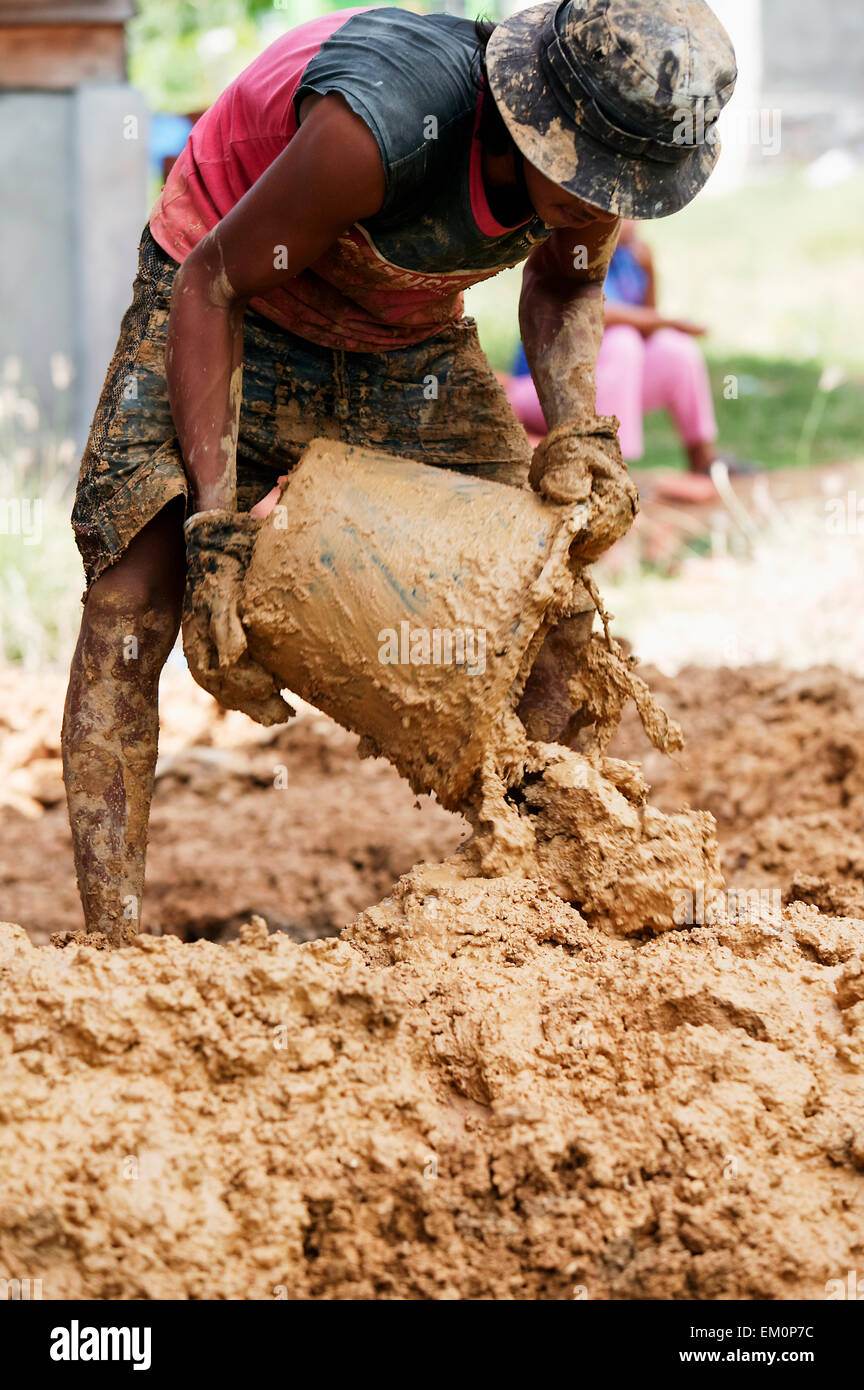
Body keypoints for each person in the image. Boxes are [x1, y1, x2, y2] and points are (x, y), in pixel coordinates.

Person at [63, 0, 736, 940]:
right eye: (591, 176)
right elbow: (212, 283)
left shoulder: (597, 180)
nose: (605, 203)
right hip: (223, 296)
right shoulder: (380, 125)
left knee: (557, 617)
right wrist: (214, 525)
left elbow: (570, 278)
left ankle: (530, 921)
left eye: (628, 187)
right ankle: (113, 947)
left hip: (402, 336)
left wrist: (578, 426)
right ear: (531, 112)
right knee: (132, 603)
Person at [507, 218, 740, 484]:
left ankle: (701, 459)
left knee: (677, 350)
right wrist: (668, 321)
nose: (634, 223)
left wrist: (650, 270)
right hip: (542, 391)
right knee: (623, 342)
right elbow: (592, 313)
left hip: (597, 388)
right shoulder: (572, 249)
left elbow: (647, 328)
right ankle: (615, 472)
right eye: (624, 216)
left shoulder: (625, 259)